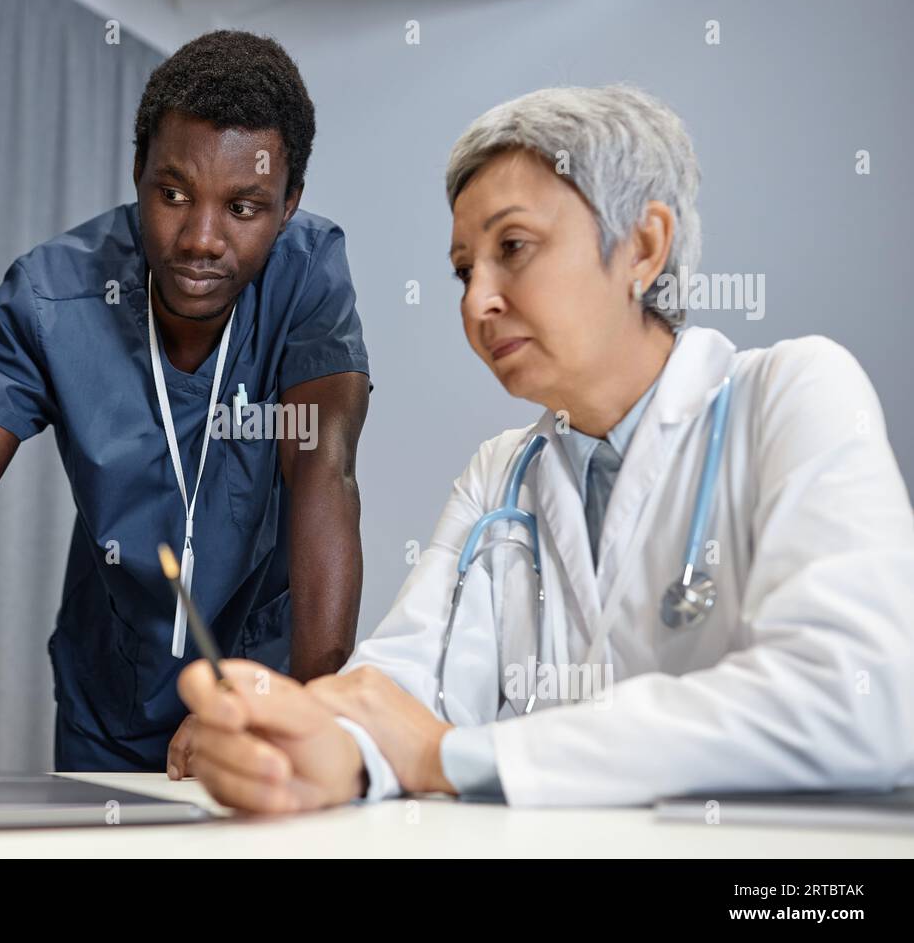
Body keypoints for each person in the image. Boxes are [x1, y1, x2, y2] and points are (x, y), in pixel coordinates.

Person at [177, 84, 914, 812]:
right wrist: (312, 744)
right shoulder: (501, 474)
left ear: (643, 247)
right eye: (466, 269)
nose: (475, 302)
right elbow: (398, 689)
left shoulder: (792, 395)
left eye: (514, 248)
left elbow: (856, 697)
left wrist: (451, 757)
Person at [0, 31, 372, 774]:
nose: (200, 238)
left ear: (289, 206)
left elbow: (324, 468)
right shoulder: (51, 295)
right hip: (111, 699)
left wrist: (305, 707)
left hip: (274, 676)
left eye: (244, 208)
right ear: (137, 173)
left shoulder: (309, 277)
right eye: (173, 194)